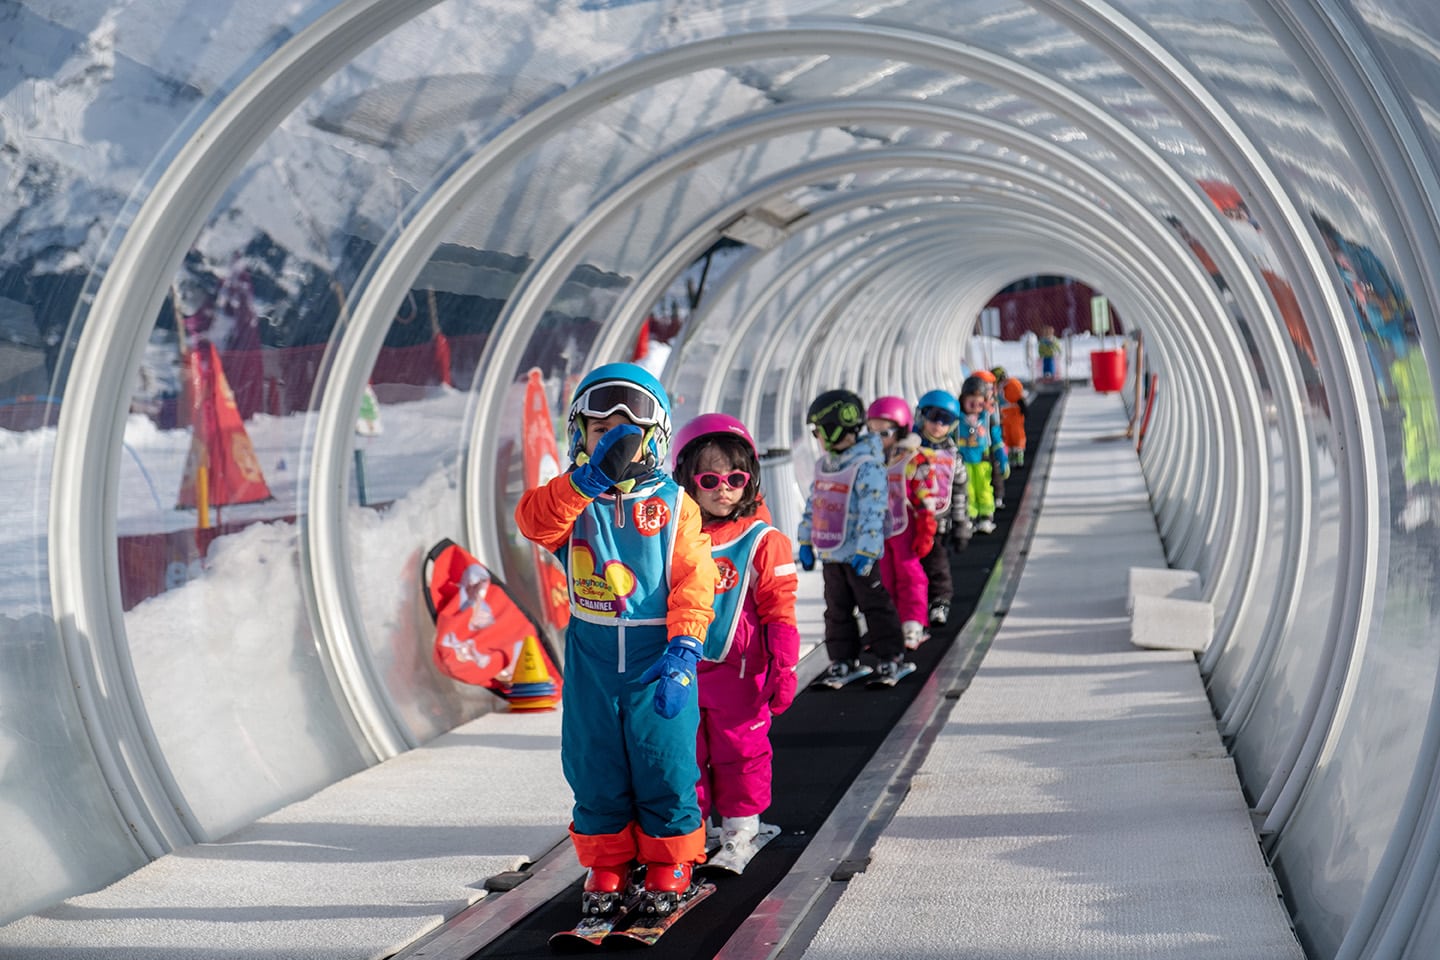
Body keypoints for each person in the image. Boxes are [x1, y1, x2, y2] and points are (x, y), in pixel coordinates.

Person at [515, 362, 719, 917]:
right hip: (593, 651)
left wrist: (684, 648)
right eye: (601, 431)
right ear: (581, 436)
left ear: (655, 438)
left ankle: (670, 859)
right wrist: (583, 483)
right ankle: (607, 863)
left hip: (657, 651)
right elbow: (532, 521)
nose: (614, 443)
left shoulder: (676, 505)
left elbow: (695, 580)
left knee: (665, 760)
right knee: (593, 762)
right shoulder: (573, 504)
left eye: (627, 433)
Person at [671, 413, 800, 874]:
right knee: (688, 754)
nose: (723, 488)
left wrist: (783, 669)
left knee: (740, 752)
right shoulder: (676, 538)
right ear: (687, 482)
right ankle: (695, 828)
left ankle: (741, 827)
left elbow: (779, 610)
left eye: (734, 478)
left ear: (750, 480)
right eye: (709, 479)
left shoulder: (762, 540)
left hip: (741, 675)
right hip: (684, 671)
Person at [796, 389, 908, 686]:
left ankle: (891, 657)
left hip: (859, 554)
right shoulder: (826, 466)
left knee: (875, 605)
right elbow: (815, 505)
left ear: (834, 428)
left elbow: (874, 509)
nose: (817, 437)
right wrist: (806, 541)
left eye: (819, 430)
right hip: (833, 553)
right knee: (836, 610)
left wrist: (868, 551)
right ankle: (843, 659)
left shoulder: (866, 466)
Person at [865, 396, 936, 650]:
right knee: (884, 579)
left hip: (905, 529)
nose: (878, 438)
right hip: (880, 531)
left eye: (884, 432)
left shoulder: (911, 460)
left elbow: (924, 495)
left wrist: (926, 527)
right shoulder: (870, 461)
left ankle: (913, 623)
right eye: (872, 431)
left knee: (910, 575)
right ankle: (890, 626)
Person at [914, 389, 969, 625]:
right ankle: (914, 605)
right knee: (911, 568)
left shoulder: (953, 456)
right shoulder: (909, 450)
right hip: (911, 521)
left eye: (945, 420)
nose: (938, 424)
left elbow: (959, 491)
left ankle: (939, 601)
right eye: (933, 416)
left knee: (937, 564)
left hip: (940, 521)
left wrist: (961, 524)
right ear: (921, 416)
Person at [957, 375, 999, 534]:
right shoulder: (959, 420)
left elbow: (994, 432)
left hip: (982, 460)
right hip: (965, 461)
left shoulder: (985, 418)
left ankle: (986, 515)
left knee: (984, 488)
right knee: (968, 489)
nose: (975, 406)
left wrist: (1000, 454)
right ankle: (972, 515)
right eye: (971, 402)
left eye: (979, 403)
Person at [999, 372, 1029, 468]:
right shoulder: (1003, 387)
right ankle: (1011, 457)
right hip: (1006, 415)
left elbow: (1019, 395)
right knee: (1009, 436)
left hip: (1013, 414)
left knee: (1016, 435)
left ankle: (1018, 457)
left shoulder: (1012, 384)